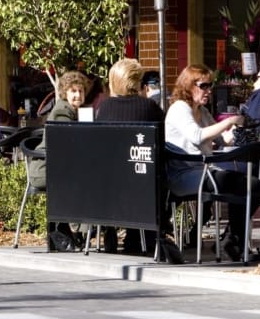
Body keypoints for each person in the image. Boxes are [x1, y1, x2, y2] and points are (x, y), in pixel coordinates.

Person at [164, 64, 260, 261]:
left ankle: (233, 237)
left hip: (204, 170)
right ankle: (233, 241)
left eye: (211, 86)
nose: (208, 90)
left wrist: (240, 133)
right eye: (204, 85)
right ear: (189, 86)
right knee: (244, 184)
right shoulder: (179, 109)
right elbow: (197, 136)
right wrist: (229, 121)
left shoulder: (203, 111)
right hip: (184, 175)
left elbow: (221, 140)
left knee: (255, 185)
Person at [95, 59, 182, 262]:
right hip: (144, 182)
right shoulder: (149, 107)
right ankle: (143, 236)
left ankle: (113, 230)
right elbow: (163, 137)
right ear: (137, 83)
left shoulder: (105, 108)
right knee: (158, 174)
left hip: (110, 182)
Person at [28, 70, 89, 253]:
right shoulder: (63, 111)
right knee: (83, 181)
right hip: (45, 169)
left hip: (56, 167)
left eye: (81, 91)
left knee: (84, 177)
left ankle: (76, 232)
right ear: (65, 93)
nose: (78, 95)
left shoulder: (74, 111)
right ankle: (78, 232)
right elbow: (68, 146)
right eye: (73, 91)